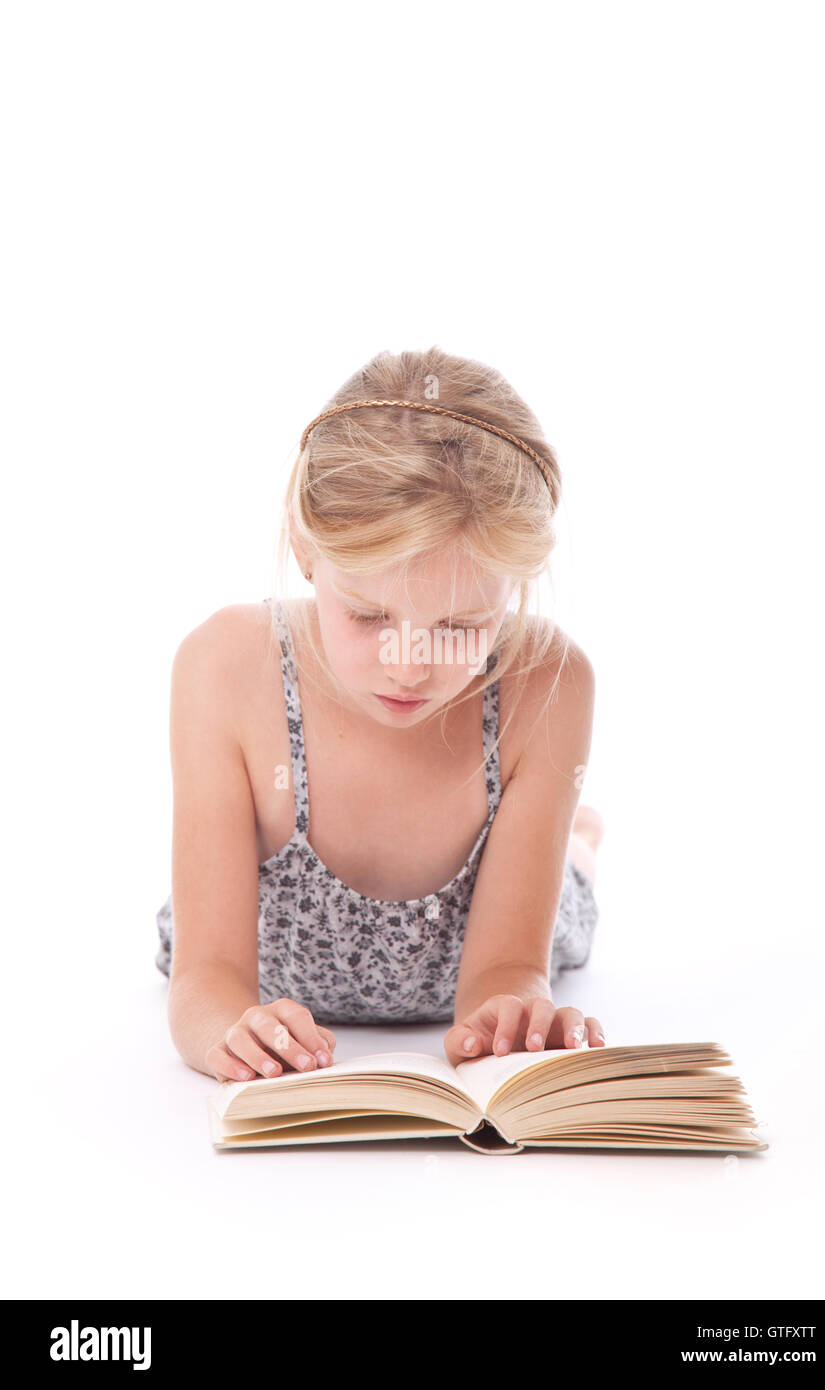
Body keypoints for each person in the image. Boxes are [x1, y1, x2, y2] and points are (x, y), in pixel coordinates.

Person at [155, 345, 606, 1082]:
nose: (409, 665)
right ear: (305, 546)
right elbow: (205, 981)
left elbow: (509, 971)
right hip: (275, 960)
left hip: (480, 943)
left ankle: (578, 843)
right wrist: (226, 1031)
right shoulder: (224, 666)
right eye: (368, 615)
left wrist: (510, 1012)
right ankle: (580, 833)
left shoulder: (548, 682)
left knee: (572, 889)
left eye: (459, 627)